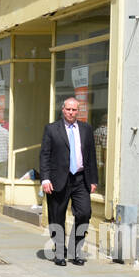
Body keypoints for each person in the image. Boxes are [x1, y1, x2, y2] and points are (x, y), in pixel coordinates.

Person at [39, 97, 99, 266]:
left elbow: (91, 155)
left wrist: (93, 180)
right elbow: (44, 155)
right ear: (63, 110)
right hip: (58, 179)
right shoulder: (52, 129)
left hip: (80, 178)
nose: (71, 112)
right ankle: (59, 251)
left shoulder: (86, 129)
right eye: (68, 109)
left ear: (78, 111)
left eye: (74, 110)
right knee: (57, 216)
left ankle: (74, 250)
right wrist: (45, 179)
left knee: (84, 213)